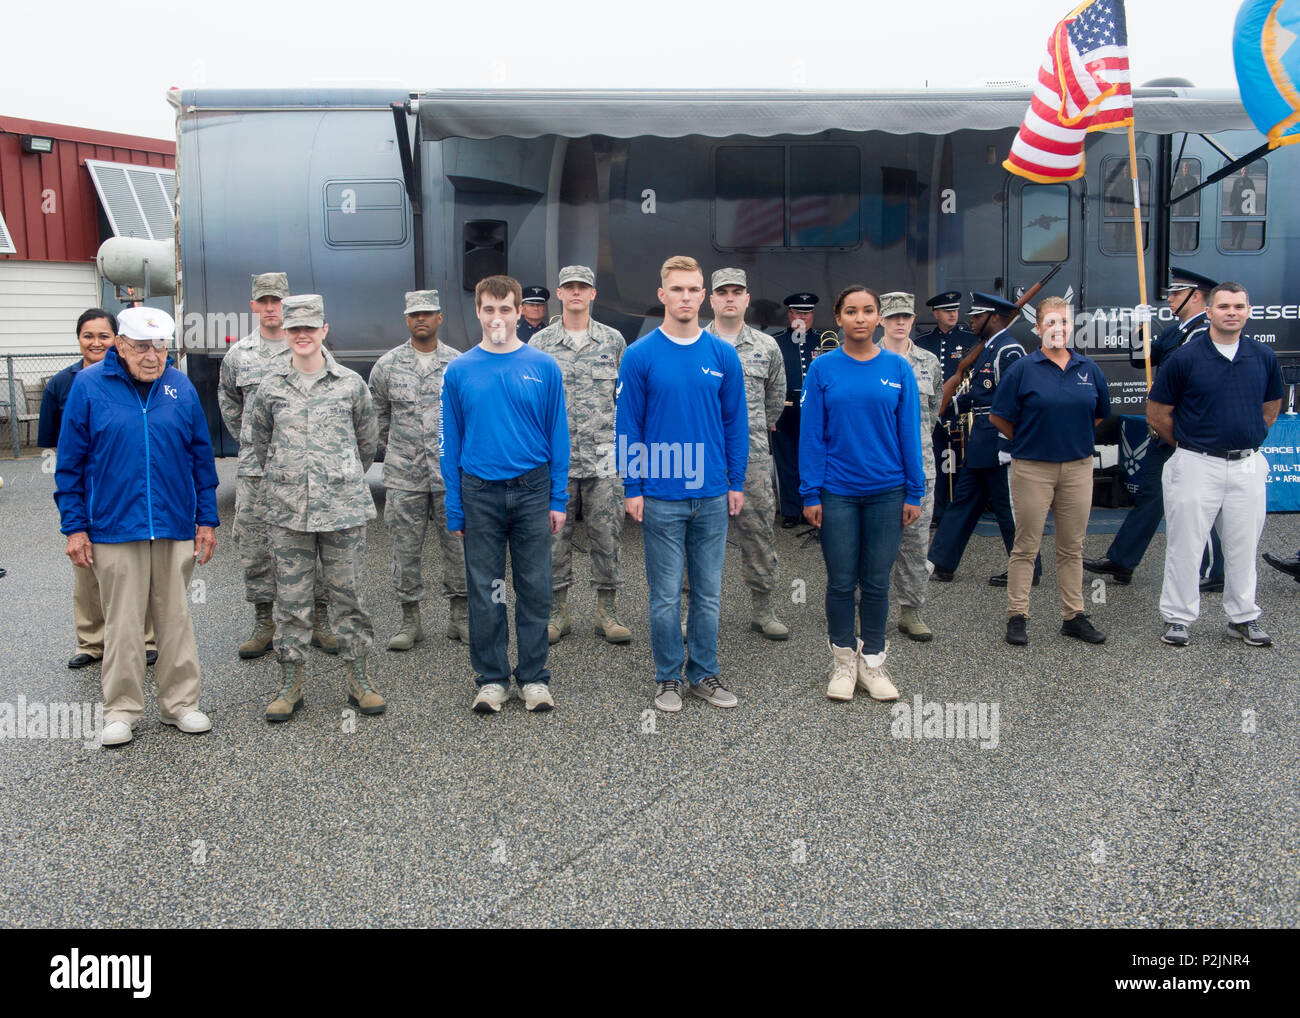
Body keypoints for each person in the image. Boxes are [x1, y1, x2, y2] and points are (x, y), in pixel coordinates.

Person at [54, 307, 218, 747]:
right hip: (113, 526)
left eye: (161, 346)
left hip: (172, 523)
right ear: (120, 346)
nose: (153, 355)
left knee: (175, 618)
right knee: (123, 623)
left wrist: (206, 519)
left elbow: (201, 459)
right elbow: (69, 465)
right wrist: (75, 528)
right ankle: (121, 711)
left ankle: (181, 704)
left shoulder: (179, 386)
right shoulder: (89, 388)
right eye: (142, 346)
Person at [616, 255, 748, 713]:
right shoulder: (640, 355)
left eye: (694, 289)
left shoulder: (721, 355)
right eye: (678, 289)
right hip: (661, 496)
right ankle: (668, 677)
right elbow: (628, 425)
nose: (687, 297)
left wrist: (736, 480)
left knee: (709, 595)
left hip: (712, 495)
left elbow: (735, 423)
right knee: (665, 596)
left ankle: (703, 674)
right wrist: (632, 487)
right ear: (662, 295)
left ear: (704, 296)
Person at [248, 295, 383, 721]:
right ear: (285, 334)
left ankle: (358, 679)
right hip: (288, 513)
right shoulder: (271, 386)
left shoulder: (350, 384)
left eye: (311, 328)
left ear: (324, 331)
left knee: (349, 596)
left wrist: (336, 478)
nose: (302, 335)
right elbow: (259, 442)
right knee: (291, 599)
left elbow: (367, 443)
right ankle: (290, 683)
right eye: (294, 329)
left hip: (342, 509)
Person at [440, 275, 569, 714]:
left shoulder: (544, 366)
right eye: (489, 309)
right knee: (486, 589)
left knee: (535, 588)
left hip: (533, 490)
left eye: (506, 309)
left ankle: (534, 678)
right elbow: (450, 444)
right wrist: (454, 507)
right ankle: (492, 678)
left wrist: (558, 498)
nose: (498, 317)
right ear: (477, 312)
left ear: (519, 313)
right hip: (479, 493)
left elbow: (558, 435)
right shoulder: (459, 371)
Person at [801, 286, 922, 701]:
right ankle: (842, 664)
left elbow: (910, 432)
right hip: (837, 493)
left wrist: (915, 490)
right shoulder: (822, 369)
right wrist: (810, 493)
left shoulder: (898, 368)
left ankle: (873, 663)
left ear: (879, 318)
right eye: (851, 311)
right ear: (838, 318)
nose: (860, 318)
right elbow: (812, 435)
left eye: (868, 311)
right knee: (840, 581)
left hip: (888, 492)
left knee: (875, 582)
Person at [1147, 282, 1283, 647]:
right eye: (1224, 306)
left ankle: (1243, 616)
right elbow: (1158, 414)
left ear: (1248, 311)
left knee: (1242, 545)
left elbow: (1271, 409)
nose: (1232, 312)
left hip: (1246, 466)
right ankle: (1177, 618)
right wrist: (1194, 443)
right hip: (1195, 464)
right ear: (1209, 312)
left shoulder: (1263, 357)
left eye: (1239, 306)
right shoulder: (1184, 358)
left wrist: (1245, 436)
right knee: (1185, 545)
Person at [219, 272, 338, 659]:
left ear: (287, 306)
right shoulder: (239, 355)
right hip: (257, 471)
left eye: (277, 302)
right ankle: (264, 620)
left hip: (305, 470)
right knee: (254, 545)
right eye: (263, 302)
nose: (270, 308)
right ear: (253, 306)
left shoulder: (306, 348)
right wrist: (253, 443)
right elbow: (229, 401)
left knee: (311, 540)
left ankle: (318, 618)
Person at [1086, 267, 1223, 590]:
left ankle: (1214, 572)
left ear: (1197, 296)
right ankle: (1122, 560)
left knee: (1196, 503)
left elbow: (1192, 380)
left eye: (1177, 293)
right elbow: (1140, 359)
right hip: (1164, 431)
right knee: (1150, 495)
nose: (1170, 298)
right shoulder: (1178, 331)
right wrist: (1139, 329)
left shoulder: (1202, 332)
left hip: (1186, 431)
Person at [40, 308, 157, 669]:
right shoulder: (62, 383)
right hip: (85, 493)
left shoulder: (136, 376)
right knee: (86, 569)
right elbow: (55, 446)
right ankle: (92, 641)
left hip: (124, 493)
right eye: (88, 336)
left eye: (103, 336)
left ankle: (146, 638)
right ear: (78, 339)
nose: (96, 342)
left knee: (139, 569)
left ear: (118, 341)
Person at [990, 297, 1111, 646]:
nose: (1058, 329)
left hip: (1077, 468)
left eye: (1064, 322)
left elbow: (1099, 414)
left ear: (1071, 326)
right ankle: (1017, 615)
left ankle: (1073, 615)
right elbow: (1000, 416)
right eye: (1051, 323)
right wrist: (1031, 439)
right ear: (1038, 328)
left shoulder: (1089, 369)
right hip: (1032, 469)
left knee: (1072, 546)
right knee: (1026, 545)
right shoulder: (1023, 370)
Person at [530, 265, 632, 645]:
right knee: (554, 536)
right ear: (559, 293)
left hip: (605, 457)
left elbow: (626, 401)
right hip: (554, 459)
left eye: (583, 287)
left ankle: (607, 611)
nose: (576, 292)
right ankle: (558, 612)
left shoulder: (613, 341)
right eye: (569, 286)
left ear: (593, 294)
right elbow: (532, 403)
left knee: (607, 534)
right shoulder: (540, 345)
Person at [369, 289, 468, 651]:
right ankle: (410, 621)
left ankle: (460, 618)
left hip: (449, 477)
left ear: (440, 318)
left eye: (428, 313)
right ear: (406, 320)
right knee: (404, 551)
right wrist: (394, 452)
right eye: (414, 314)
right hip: (403, 478)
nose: (421, 319)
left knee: (458, 548)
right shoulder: (387, 366)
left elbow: (468, 419)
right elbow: (376, 420)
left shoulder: (458, 364)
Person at [928, 293, 1041, 586]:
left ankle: (1027, 569)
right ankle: (942, 561)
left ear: (996, 318)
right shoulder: (989, 349)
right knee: (963, 501)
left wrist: (1009, 444)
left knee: (1009, 510)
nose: (971, 321)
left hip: (999, 443)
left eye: (977, 316)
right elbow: (980, 394)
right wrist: (946, 408)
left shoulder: (1009, 351)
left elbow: (1016, 401)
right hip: (980, 441)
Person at [704, 268, 788, 639]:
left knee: (757, 533)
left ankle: (762, 608)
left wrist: (749, 431)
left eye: (737, 291)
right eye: (723, 292)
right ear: (712, 299)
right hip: (703, 456)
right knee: (698, 536)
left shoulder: (766, 347)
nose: (730, 298)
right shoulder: (695, 343)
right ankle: (696, 611)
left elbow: (775, 401)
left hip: (751, 456)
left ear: (747, 298)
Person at [878, 292, 941, 641]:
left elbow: (932, 412)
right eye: (893, 317)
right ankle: (867, 609)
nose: (900, 322)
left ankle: (911, 610)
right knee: (873, 544)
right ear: (881, 321)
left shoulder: (928, 362)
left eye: (906, 316)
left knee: (915, 544)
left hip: (920, 468)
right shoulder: (869, 358)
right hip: (878, 467)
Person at [914, 291, 976, 529]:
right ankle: (937, 511)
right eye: (946, 310)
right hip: (933, 414)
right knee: (935, 464)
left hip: (961, 412)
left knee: (964, 464)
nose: (952, 314)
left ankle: (961, 513)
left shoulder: (971, 340)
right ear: (935, 313)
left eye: (955, 309)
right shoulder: (923, 343)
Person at [771, 292, 819, 527]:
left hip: (815, 408)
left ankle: (814, 508)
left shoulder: (822, 341)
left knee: (813, 458)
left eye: (807, 312)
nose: (803, 317)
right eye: (798, 312)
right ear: (790, 314)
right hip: (786, 407)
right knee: (787, 461)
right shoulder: (776, 341)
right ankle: (791, 510)